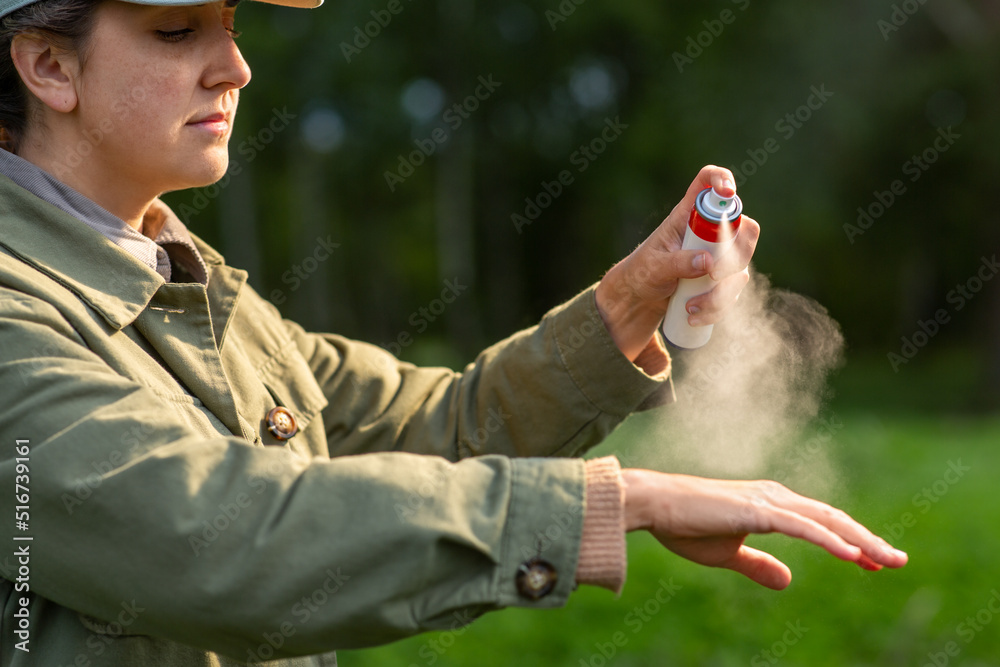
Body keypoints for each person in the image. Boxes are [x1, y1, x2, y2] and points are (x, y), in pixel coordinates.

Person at [0, 0, 907, 664]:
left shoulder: (181, 275)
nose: (235, 68)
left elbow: (426, 431)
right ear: (47, 66)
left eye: (231, 24)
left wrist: (625, 307)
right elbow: (221, 545)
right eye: (177, 30)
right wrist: (616, 504)